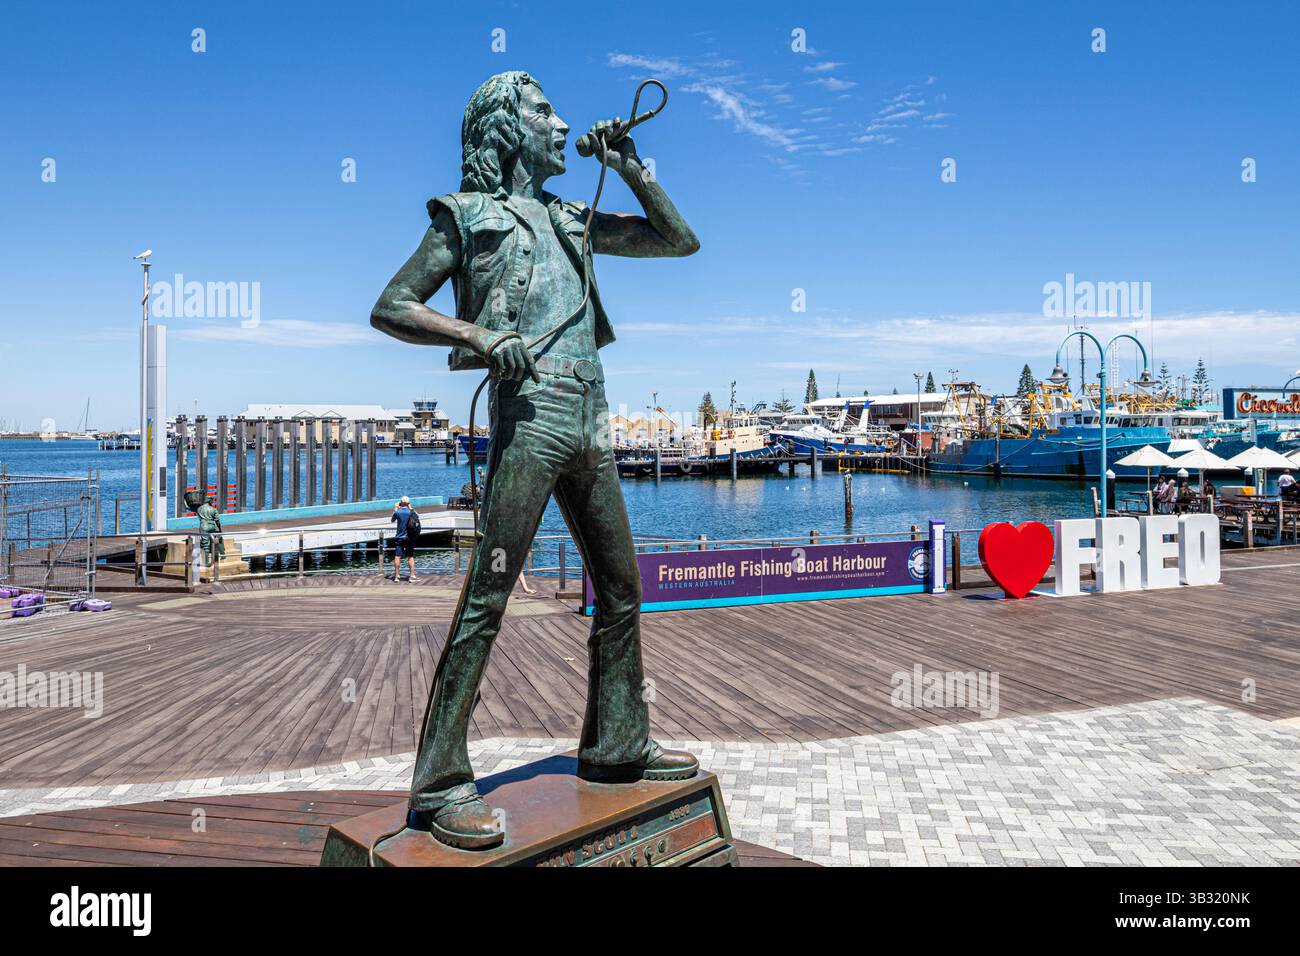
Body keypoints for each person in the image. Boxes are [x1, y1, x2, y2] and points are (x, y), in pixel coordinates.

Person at [371, 71, 700, 849]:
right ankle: (441, 783)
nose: (561, 125)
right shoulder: (468, 216)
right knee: (489, 596)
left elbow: (677, 240)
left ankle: (617, 744)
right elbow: (392, 305)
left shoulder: (573, 217)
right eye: (544, 112)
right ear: (505, 129)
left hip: (591, 416)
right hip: (531, 417)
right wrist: (480, 338)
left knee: (621, 588)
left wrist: (629, 166)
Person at [386, 496, 418, 582]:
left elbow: (392, 520)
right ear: (408, 503)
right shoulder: (411, 512)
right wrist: (410, 507)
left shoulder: (398, 512)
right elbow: (417, 516)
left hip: (399, 537)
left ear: (401, 503)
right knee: (410, 556)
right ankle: (412, 576)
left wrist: (395, 508)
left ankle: (396, 576)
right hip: (409, 537)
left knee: (397, 556)